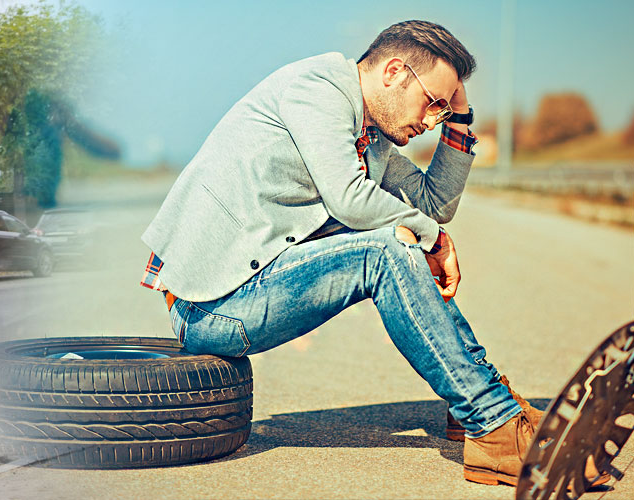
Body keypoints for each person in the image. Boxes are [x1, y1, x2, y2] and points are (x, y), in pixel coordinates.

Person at [138, 21, 604, 487]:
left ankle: (487, 406)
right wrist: (433, 239)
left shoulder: (370, 138)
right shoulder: (315, 90)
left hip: (255, 285)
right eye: (434, 104)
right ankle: (493, 423)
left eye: (443, 111)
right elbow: (349, 197)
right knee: (387, 249)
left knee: (402, 237)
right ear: (395, 72)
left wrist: (460, 121)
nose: (430, 120)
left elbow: (434, 204)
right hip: (211, 306)